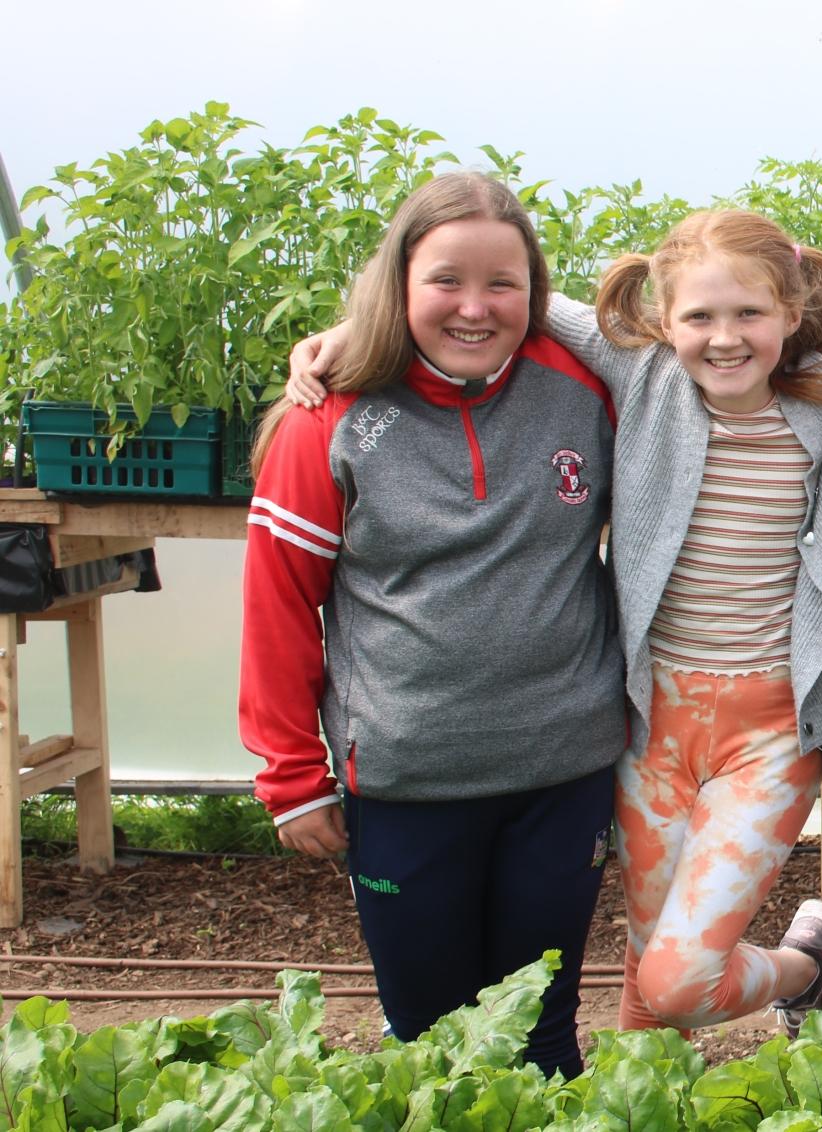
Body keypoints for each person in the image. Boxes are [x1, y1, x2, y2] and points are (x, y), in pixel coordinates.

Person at [285, 210, 822, 1039]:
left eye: (749, 315)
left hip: (772, 733)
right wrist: (359, 329)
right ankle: (672, 1086)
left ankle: (804, 965)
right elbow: (523, 302)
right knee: (651, 977)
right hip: (655, 726)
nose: (724, 339)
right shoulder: (643, 374)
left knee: (679, 977)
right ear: (663, 319)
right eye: (699, 318)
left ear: (790, 315)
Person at [240, 172, 625, 1077]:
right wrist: (292, 776)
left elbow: (715, 352)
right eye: (446, 280)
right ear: (398, 281)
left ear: (538, 290)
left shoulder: (584, 389)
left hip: (561, 774)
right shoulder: (328, 415)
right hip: (406, 783)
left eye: (504, 283)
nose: (475, 307)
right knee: (427, 1034)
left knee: (540, 1029)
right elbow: (280, 602)